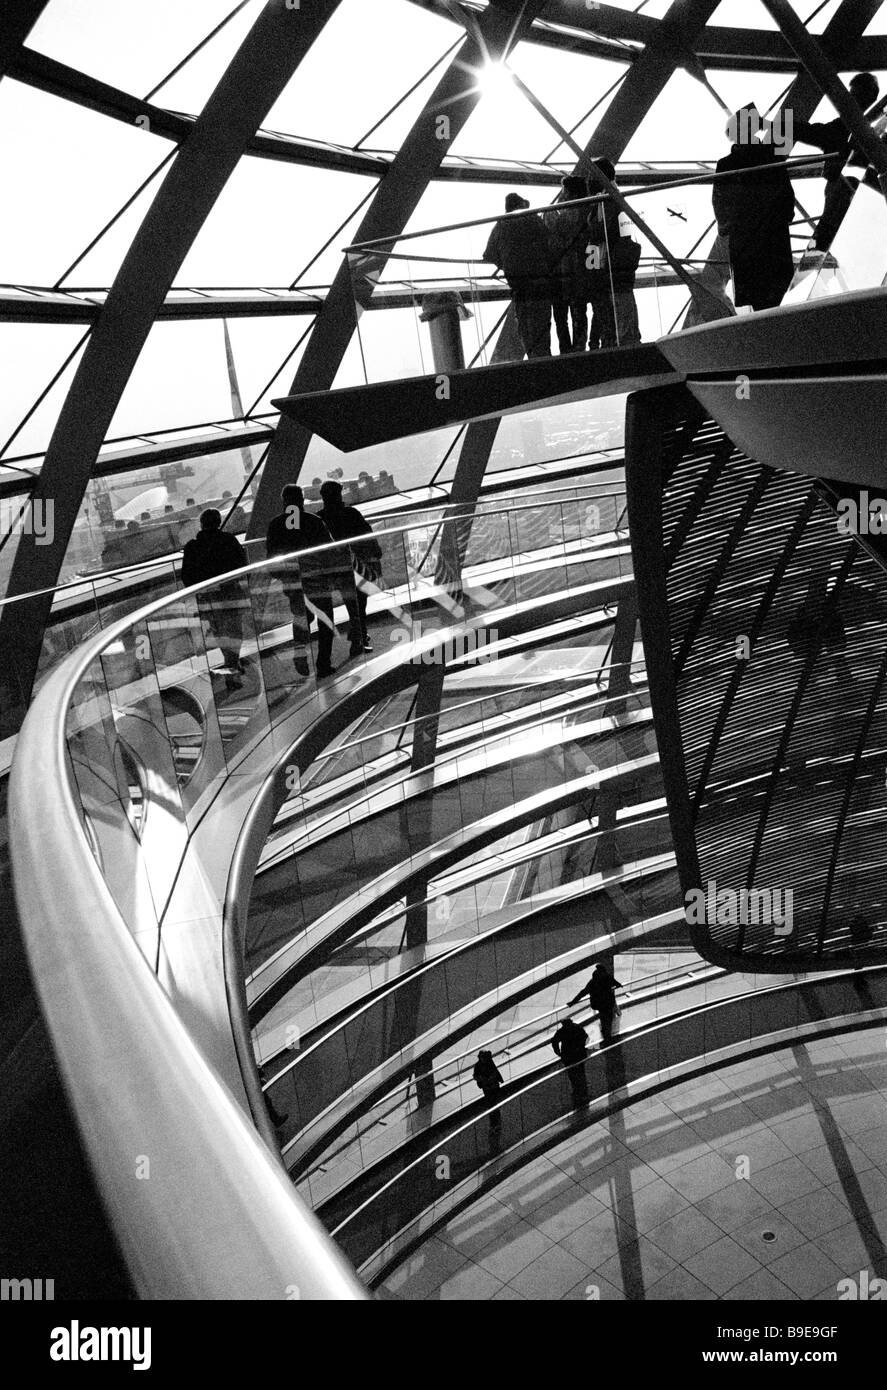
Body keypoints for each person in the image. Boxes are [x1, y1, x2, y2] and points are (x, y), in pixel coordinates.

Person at [266, 484, 362, 680]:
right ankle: (323, 664)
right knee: (325, 620)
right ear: (301, 500)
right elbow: (329, 551)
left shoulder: (276, 525)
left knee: (301, 617)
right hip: (317, 580)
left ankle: (300, 651)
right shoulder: (314, 521)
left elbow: (272, 557)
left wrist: (283, 576)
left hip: (292, 581)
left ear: (284, 501)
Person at [788, 73, 880, 256]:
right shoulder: (873, 130)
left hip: (842, 198)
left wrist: (773, 125)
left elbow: (811, 132)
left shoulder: (843, 129)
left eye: (855, 96)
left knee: (823, 243)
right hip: (862, 205)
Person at [713, 107, 795, 312]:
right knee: (778, 297)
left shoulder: (726, 164)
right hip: (774, 240)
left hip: (745, 244)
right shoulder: (773, 158)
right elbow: (787, 198)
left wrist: (727, 227)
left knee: (757, 300)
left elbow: (720, 202)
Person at [180, 509, 249, 686]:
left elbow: (187, 576)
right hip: (230, 594)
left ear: (201, 524)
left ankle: (231, 665)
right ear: (218, 522)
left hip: (208, 599)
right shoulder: (229, 541)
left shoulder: (192, 547)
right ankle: (233, 664)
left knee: (219, 632)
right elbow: (243, 566)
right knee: (234, 630)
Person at [483, 192, 553, 359]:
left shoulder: (500, 225)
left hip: (518, 283)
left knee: (526, 327)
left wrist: (506, 264)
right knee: (541, 326)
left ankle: (533, 361)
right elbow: (549, 243)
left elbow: (489, 254)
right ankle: (544, 361)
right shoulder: (533, 219)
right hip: (539, 281)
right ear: (521, 205)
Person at [319, 480, 382, 654]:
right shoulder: (351, 513)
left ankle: (358, 635)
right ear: (339, 495)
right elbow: (367, 535)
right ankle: (358, 638)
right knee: (359, 603)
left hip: (335, 569)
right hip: (356, 566)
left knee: (352, 603)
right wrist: (376, 553)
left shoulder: (320, 519)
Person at [587, 158, 641, 348]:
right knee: (622, 308)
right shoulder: (611, 197)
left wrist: (593, 229)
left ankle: (626, 347)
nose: (588, 179)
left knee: (620, 308)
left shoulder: (608, 200)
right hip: (617, 264)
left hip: (614, 265)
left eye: (591, 174)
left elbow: (603, 231)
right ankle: (628, 344)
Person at [543, 175, 592, 354]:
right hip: (577, 271)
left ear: (570, 193)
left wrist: (548, 213)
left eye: (564, 191)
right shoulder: (588, 211)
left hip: (564, 272)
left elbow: (558, 227)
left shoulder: (569, 215)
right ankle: (579, 348)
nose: (562, 195)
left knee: (562, 315)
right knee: (578, 312)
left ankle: (568, 350)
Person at [571, 962, 623, 1046]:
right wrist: (619, 985)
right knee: (608, 1020)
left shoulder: (593, 980)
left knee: (603, 1018)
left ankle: (605, 1032)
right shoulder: (607, 977)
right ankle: (607, 1038)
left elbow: (583, 992)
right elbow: (614, 982)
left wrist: (573, 1001)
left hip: (599, 1004)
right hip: (608, 1003)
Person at [552, 1016, 589, 1106]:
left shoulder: (561, 1031)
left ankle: (576, 1090)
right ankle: (583, 1090)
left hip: (568, 1056)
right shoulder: (577, 1027)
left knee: (572, 1073)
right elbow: (585, 1037)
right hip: (579, 1054)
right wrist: (581, 1046)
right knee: (580, 1071)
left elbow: (554, 1042)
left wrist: (559, 1053)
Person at [473, 1049, 504, 1133]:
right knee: (492, 1105)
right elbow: (475, 1076)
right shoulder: (485, 1064)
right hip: (489, 1088)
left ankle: (495, 1124)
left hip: (491, 1088)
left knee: (493, 1104)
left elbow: (494, 1073)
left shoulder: (483, 1065)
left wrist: (485, 1080)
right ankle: (495, 1124)